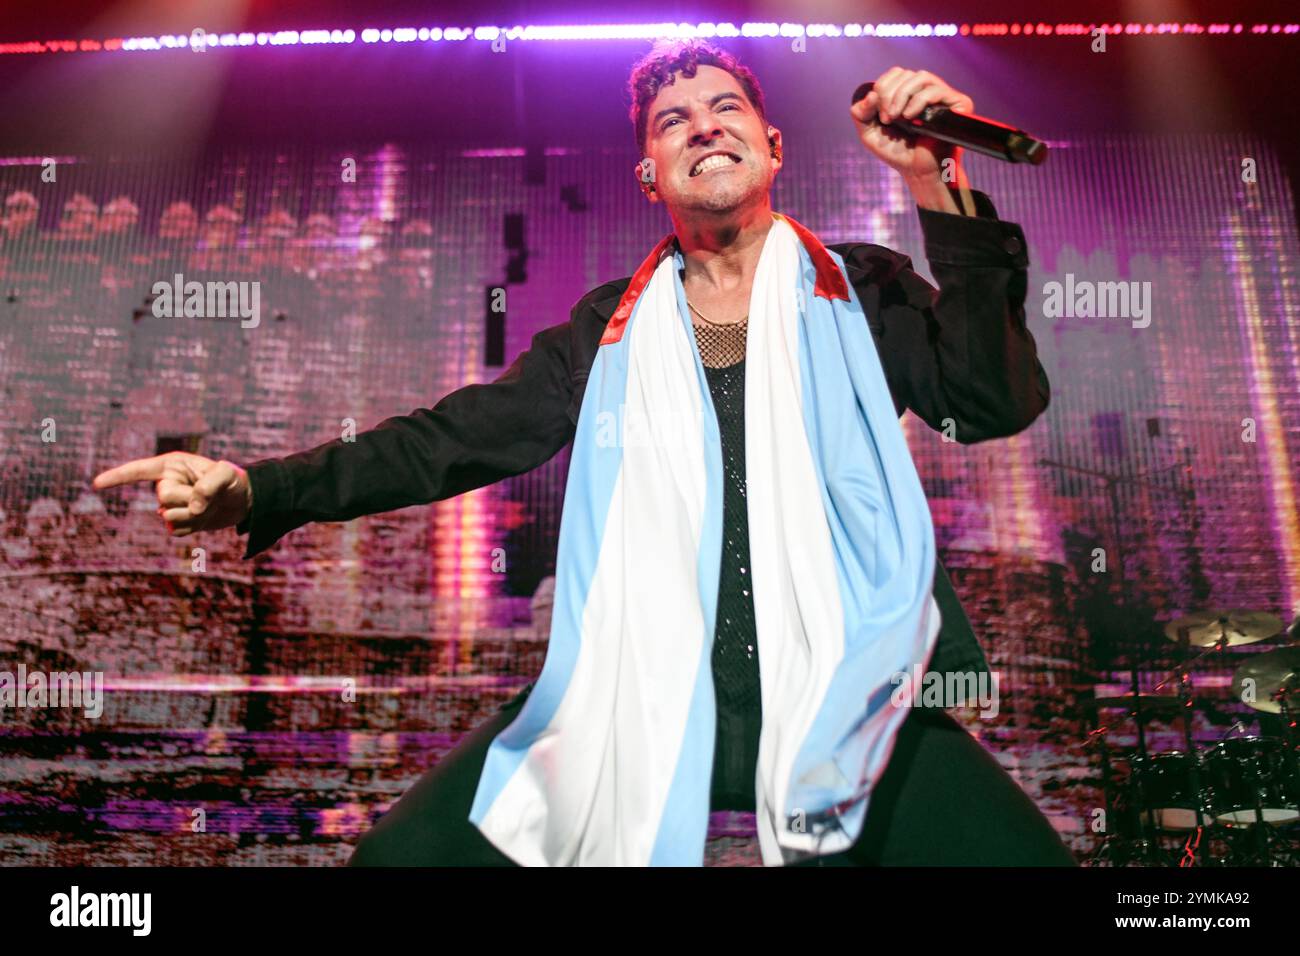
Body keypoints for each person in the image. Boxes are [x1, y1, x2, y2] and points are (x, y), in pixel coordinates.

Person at [93, 39, 1075, 867]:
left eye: (724, 106)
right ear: (649, 173)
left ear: (772, 148)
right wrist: (256, 486)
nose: (702, 124)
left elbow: (990, 400)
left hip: (845, 693)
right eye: (672, 120)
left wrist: (933, 180)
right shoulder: (608, 329)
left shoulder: (862, 291)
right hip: (634, 688)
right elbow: (447, 440)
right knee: (398, 860)